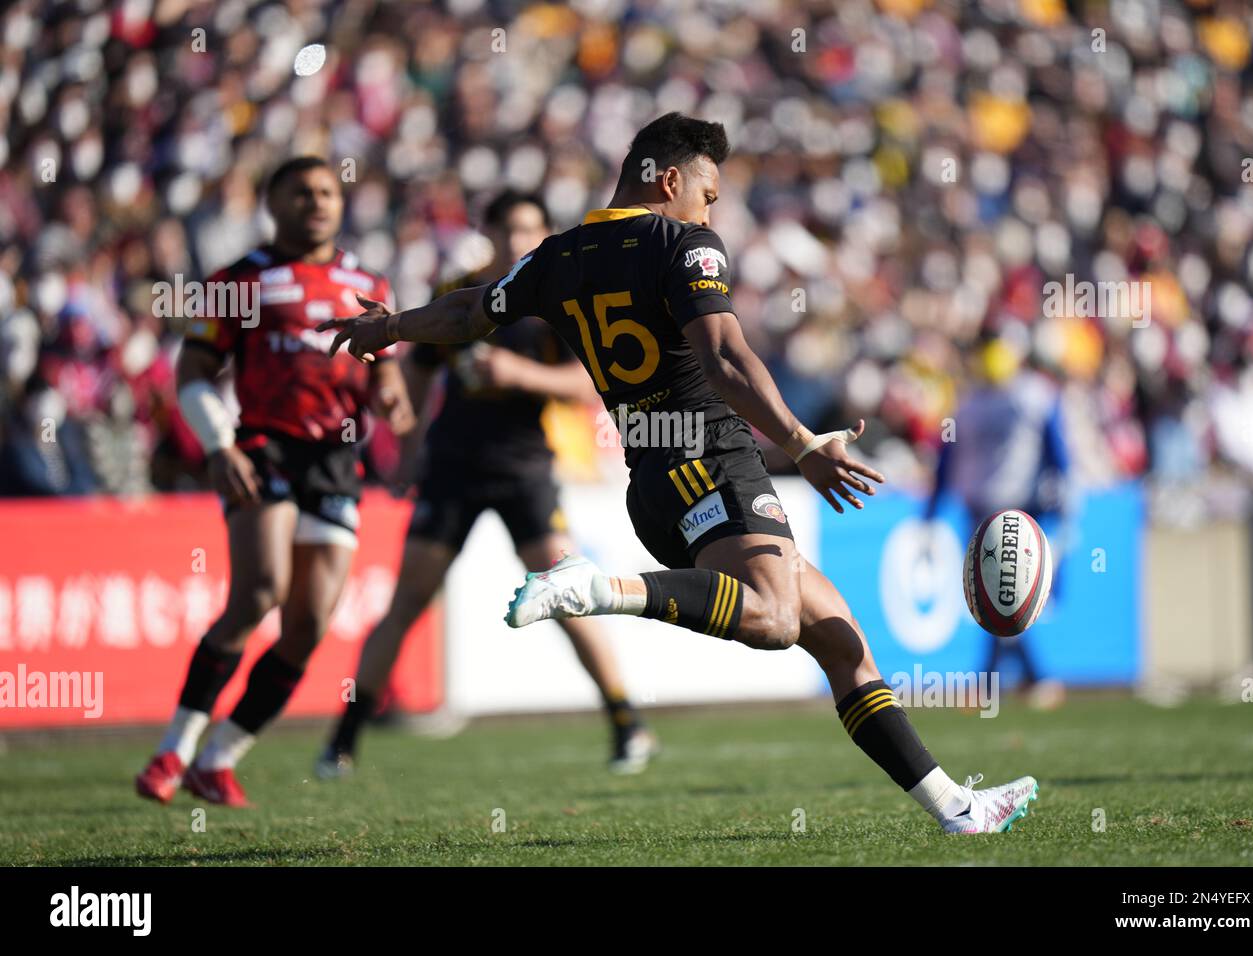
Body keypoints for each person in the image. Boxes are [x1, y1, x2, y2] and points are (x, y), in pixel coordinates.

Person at [321, 114, 1039, 834]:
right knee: (776, 617)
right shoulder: (683, 244)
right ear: (668, 179)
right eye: (709, 191)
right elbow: (725, 360)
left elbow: (468, 311)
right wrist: (800, 441)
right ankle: (598, 586)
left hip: (655, 479)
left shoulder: (557, 256)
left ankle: (955, 807)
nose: (712, 207)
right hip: (710, 462)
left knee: (838, 637)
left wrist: (390, 327)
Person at [317, 190, 657, 779]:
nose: (520, 242)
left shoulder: (555, 297)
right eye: (509, 230)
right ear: (490, 233)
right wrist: (407, 456)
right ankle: (342, 741)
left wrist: (515, 372)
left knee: (568, 595)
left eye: (530, 229)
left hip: (525, 468)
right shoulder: (462, 290)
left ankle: (629, 725)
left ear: (544, 231)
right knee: (406, 603)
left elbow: (588, 384)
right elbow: (420, 374)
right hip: (453, 467)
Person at [135, 157, 416, 808]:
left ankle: (219, 756)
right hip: (262, 446)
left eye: (327, 192)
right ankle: (172, 750)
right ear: (273, 204)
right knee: (258, 590)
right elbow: (196, 371)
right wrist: (219, 444)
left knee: (308, 624)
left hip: (336, 462)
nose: (317, 203)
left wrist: (395, 399)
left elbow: (385, 370)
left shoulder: (366, 282)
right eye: (302, 193)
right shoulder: (241, 281)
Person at [923, 335, 1070, 709]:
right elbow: (946, 460)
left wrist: (1063, 503)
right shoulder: (972, 403)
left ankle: (1006, 680)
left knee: (1003, 597)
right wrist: (930, 511)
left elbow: (1058, 455)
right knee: (1000, 598)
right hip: (984, 509)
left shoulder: (1030, 396)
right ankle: (1024, 680)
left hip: (1021, 509)